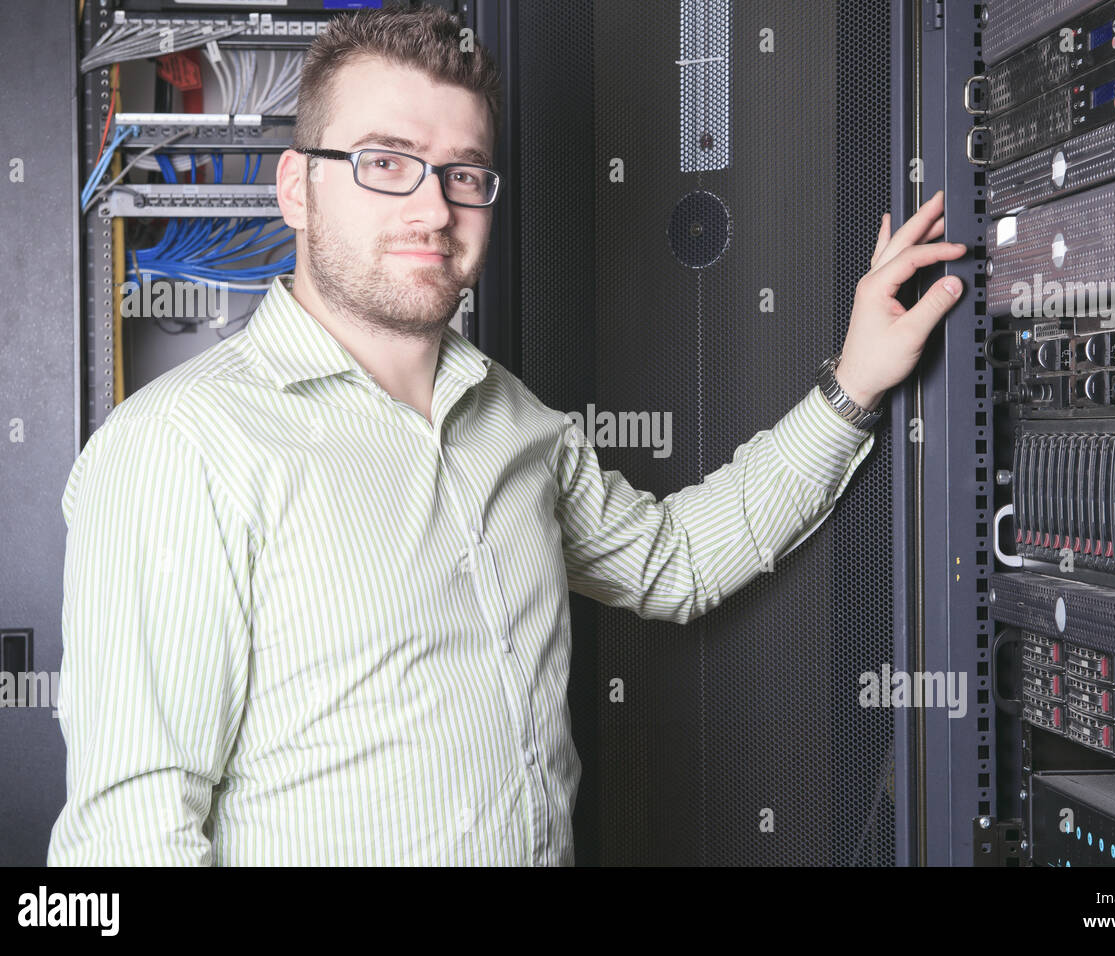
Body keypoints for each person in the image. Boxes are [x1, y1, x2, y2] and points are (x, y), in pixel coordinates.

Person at [48, 4, 966, 866]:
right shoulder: (180, 448)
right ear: (296, 187)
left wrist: (852, 383)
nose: (434, 208)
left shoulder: (515, 422)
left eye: (464, 173)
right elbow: (132, 838)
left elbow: (675, 559)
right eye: (385, 161)